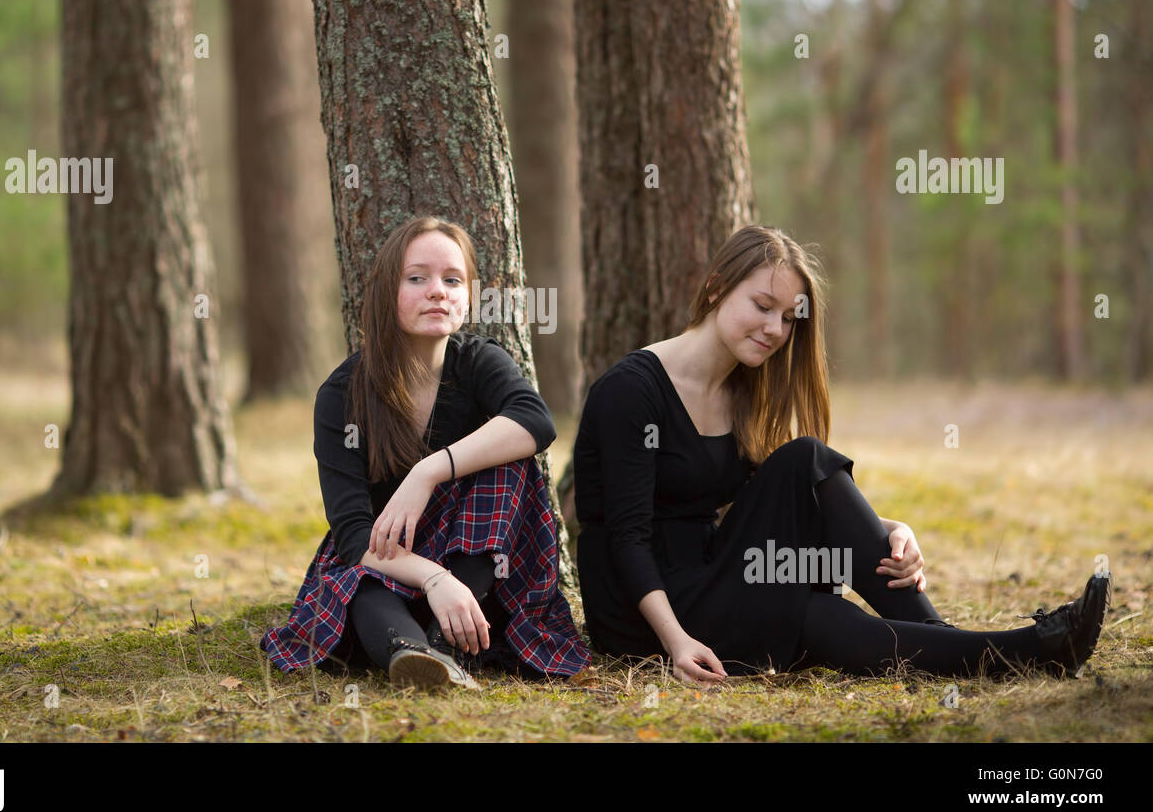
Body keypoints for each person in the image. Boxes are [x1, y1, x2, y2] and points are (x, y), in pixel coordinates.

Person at [573, 224, 1110, 684]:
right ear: (716, 288)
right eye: (762, 307)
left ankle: (957, 642)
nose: (774, 330)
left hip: (712, 571)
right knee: (814, 613)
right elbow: (627, 539)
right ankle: (1035, 649)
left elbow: (782, 498)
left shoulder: (741, 390)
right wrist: (676, 642)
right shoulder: (632, 392)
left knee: (806, 462)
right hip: (644, 609)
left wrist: (889, 526)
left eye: (788, 318)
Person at [261, 216, 590, 689]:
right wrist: (436, 580)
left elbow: (535, 421)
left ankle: (442, 646)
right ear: (384, 293)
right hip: (383, 561)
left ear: (468, 296)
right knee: (355, 584)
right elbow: (353, 537)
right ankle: (414, 656)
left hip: (477, 567)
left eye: (452, 280)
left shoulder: (479, 362)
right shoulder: (342, 394)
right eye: (417, 278)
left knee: (510, 464)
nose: (438, 291)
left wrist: (428, 472)